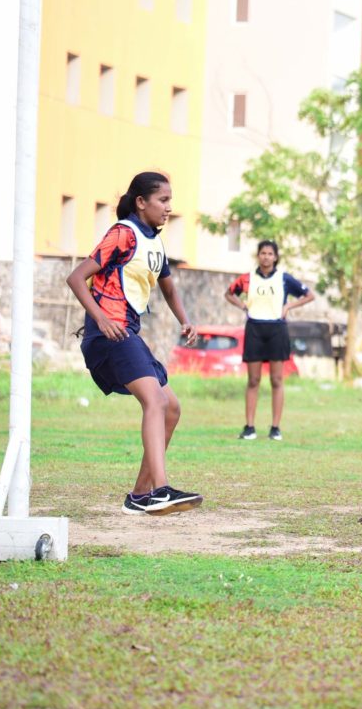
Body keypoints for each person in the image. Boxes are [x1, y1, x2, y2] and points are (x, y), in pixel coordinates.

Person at [65, 171, 203, 516]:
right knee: (155, 400)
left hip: (129, 333)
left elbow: (168, 287)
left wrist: (184, 320)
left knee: (171, 407)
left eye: (171, 201)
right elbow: (76, 277)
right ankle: (160, 489)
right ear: (141, 202)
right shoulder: (123, 233)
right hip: (109, 334)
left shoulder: (154, 240)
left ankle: (140, 496)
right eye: (163, 200)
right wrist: (100, 317)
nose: (169, 208)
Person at [225, 240, 315, 441]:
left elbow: (309, 295)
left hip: (277, 328)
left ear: (275, 257)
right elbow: (229, 294)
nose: (266, 257)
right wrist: (243, 306)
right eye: (262, 253)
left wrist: (289, 307)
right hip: (255, 328)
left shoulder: (284, 278)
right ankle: (249, 427)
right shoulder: (247, 278)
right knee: (253, 380)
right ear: (258, 256)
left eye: (269, 253)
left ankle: (275, 427)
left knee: (276, 379)